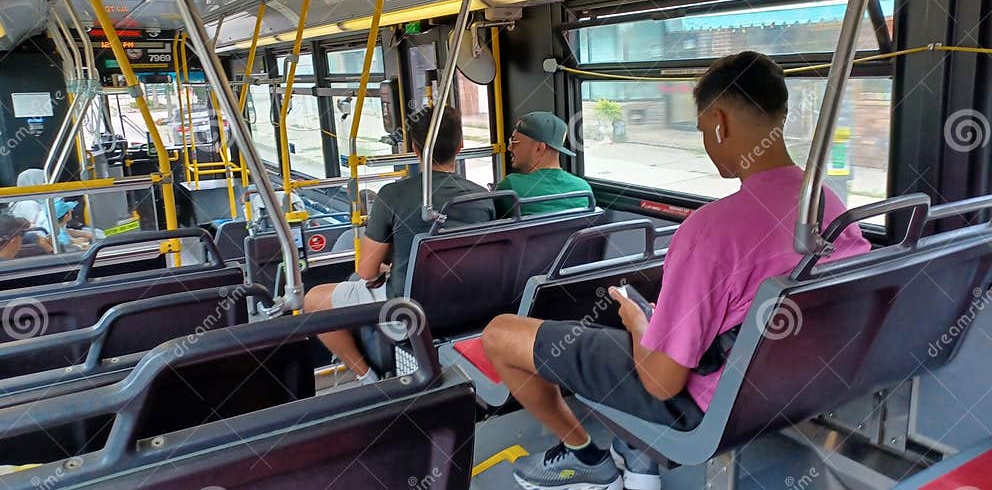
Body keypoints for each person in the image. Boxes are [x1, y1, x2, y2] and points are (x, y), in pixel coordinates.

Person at [481, 52, 872, 490]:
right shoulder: (829, 205)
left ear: (720, 122)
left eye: (704, 130)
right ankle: (630, 448)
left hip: (706, 405)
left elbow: (661, 382)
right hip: (800, 384)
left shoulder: (709, 231)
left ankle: (586, 457)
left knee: (500, 333)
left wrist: (636, 324)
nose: (707, 143)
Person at [303, 105, 496, 384]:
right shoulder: (482, 197)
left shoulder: (391, 195)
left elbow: (367, 272)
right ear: (461, 146)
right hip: (471, 304)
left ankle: (368, 378)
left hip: (409, 311)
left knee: (314, 300)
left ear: (415, 149)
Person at [494, 111, 593, 217]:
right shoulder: (583, 188)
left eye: (514, 141)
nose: (509, 147)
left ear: (539, 148)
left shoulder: (511, 187)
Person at [10, 169, 95, 248]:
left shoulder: (41, 201)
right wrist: (74, 242)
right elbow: (45, 230)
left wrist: (84, 234)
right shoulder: (28, 204)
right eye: (43, 182)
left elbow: (58, 228)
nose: (46, 185)